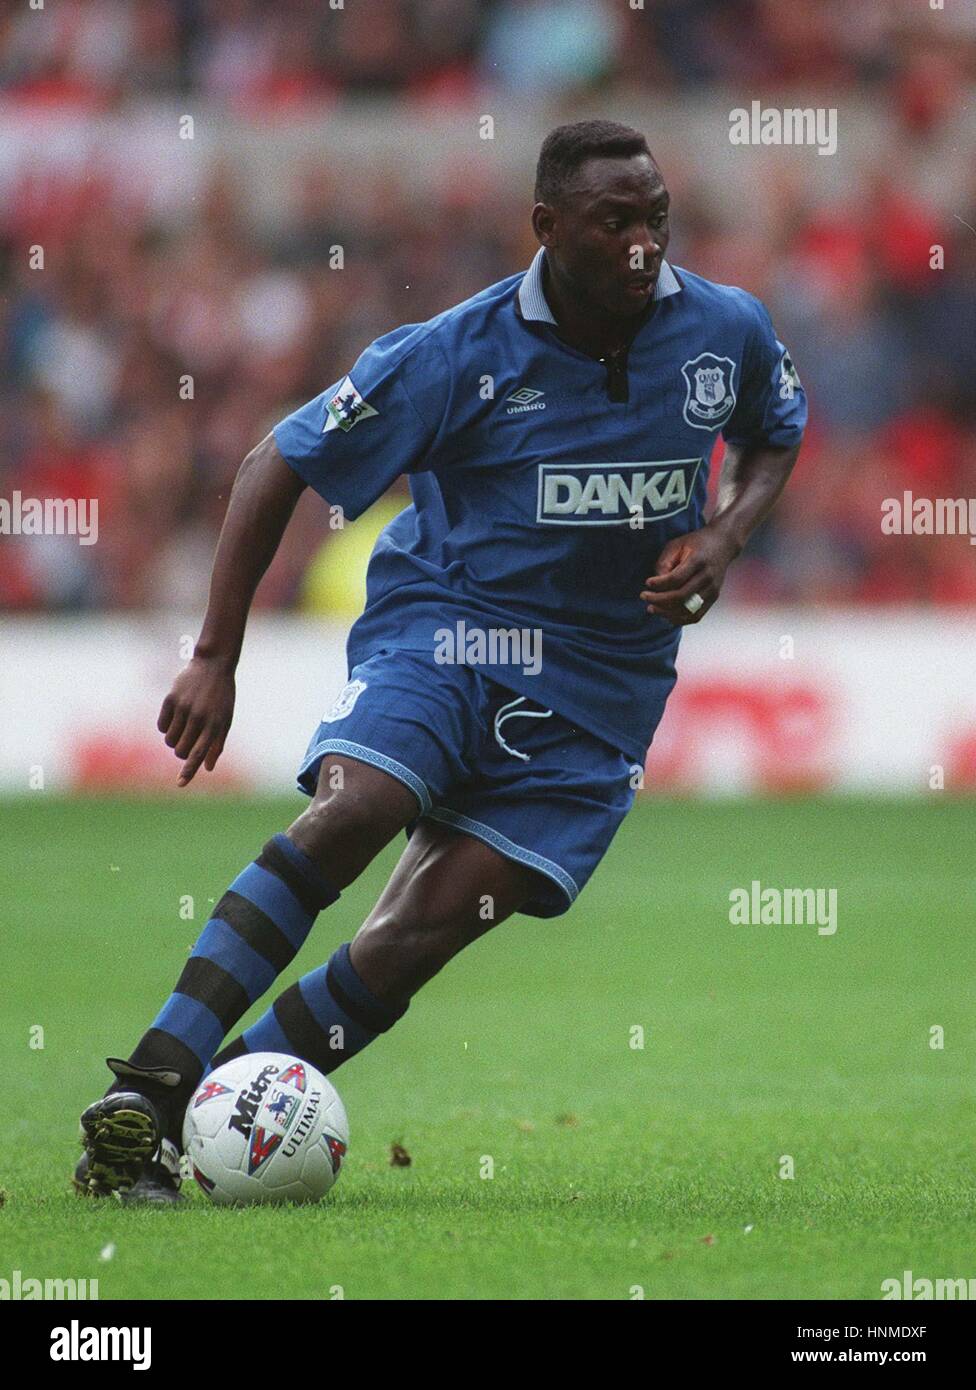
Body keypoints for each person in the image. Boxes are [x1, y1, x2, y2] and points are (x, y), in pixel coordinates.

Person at [75, 120, 805, 1203]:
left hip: (603, 689)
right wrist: (215, 654)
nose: (644, 244)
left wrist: (725, 537)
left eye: (656, 217)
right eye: (615, 222)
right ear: (547, 227)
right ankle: (155, 1075)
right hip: (453, 631)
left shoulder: (723, 329)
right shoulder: (455, 352)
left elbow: (775, 428)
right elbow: (276, 458)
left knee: (418, 932)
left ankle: (176, 1126)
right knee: (359, 805)